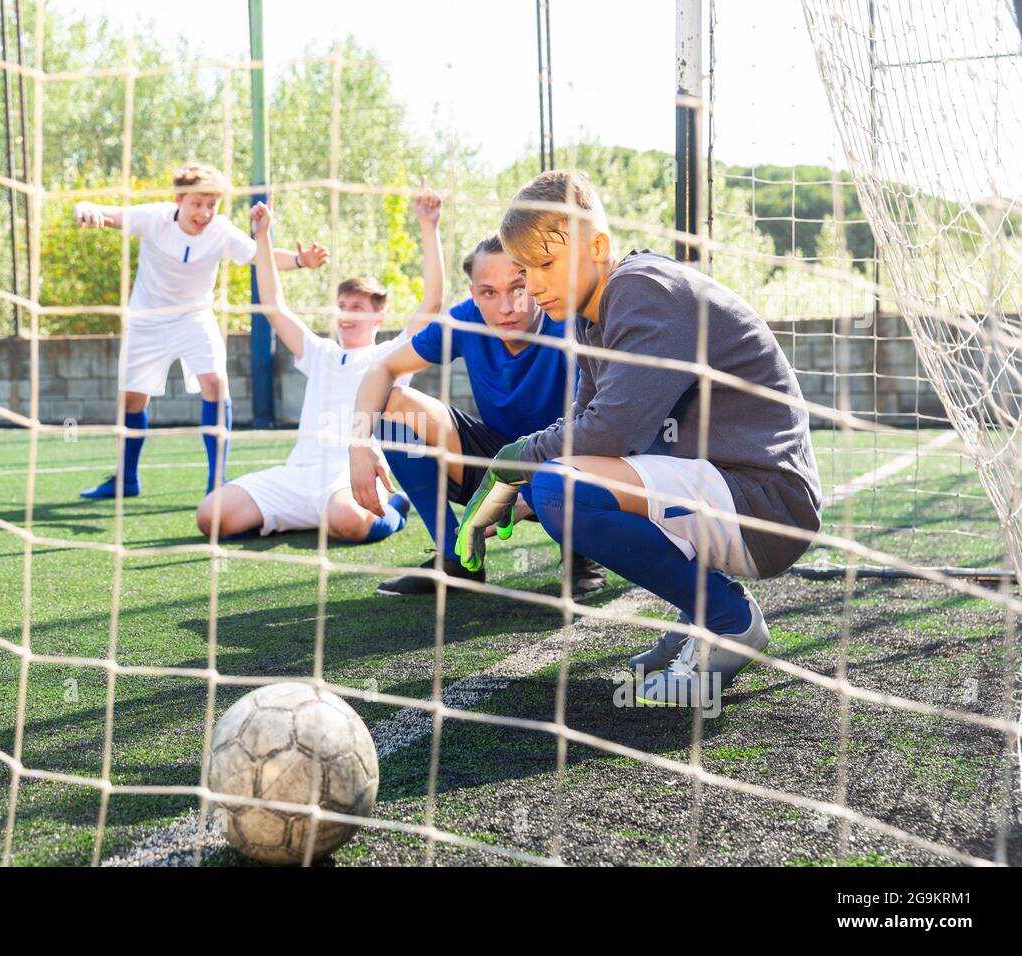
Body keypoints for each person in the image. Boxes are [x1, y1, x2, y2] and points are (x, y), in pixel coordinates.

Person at [456, 169, 821, 707]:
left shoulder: (644, 291)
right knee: (546, 484)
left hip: (765, 505)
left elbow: (613, 431)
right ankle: (705, 610)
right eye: (525, 269)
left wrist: (515, 460)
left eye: (545, 265)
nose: (531, 286)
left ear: (598, 246)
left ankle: (728, 621)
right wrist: (520, 474)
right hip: (720, 493)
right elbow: (586, 425)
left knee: (558, 484)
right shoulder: (591, 315)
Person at [349, 232, 608, 598]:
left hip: (568, 462)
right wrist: (358, 445)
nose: (506, 306)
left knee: (590, 440)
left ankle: (582, 554)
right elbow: (382, 369)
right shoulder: (464, 320)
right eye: (489, 292)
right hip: (498, 466)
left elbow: (600, 422)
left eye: (517, 287)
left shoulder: (570, 319)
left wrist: (531, 494)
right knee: (397, 407)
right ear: (473, 294)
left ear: (535, 280)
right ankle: (456, 557)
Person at [194, 180, 443, 542]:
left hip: (348, 476)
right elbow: (273, 307)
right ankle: (305, 515)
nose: (345, 314)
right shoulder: (320, 352)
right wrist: (262, 236)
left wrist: (428, 226)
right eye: (341, 306)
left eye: (356, 307)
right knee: (212, 515)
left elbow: (431, 304)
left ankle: (394, 507)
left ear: (378, 316)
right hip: (300, 474)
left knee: (345, 521)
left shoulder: (390, 356)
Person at [71, 162, 328, 500]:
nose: (205, 213)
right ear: (179, 200)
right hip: (147, 320)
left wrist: (299, 261)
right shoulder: (155, 218)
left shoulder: (220, 231)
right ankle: (127, 480)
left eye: (212, 205)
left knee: (215, 382)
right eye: (197, 204)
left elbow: (258, 255)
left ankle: (216, 485)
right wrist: (85, 209)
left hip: (194, 317)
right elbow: (99, 211)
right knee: (132, 400)